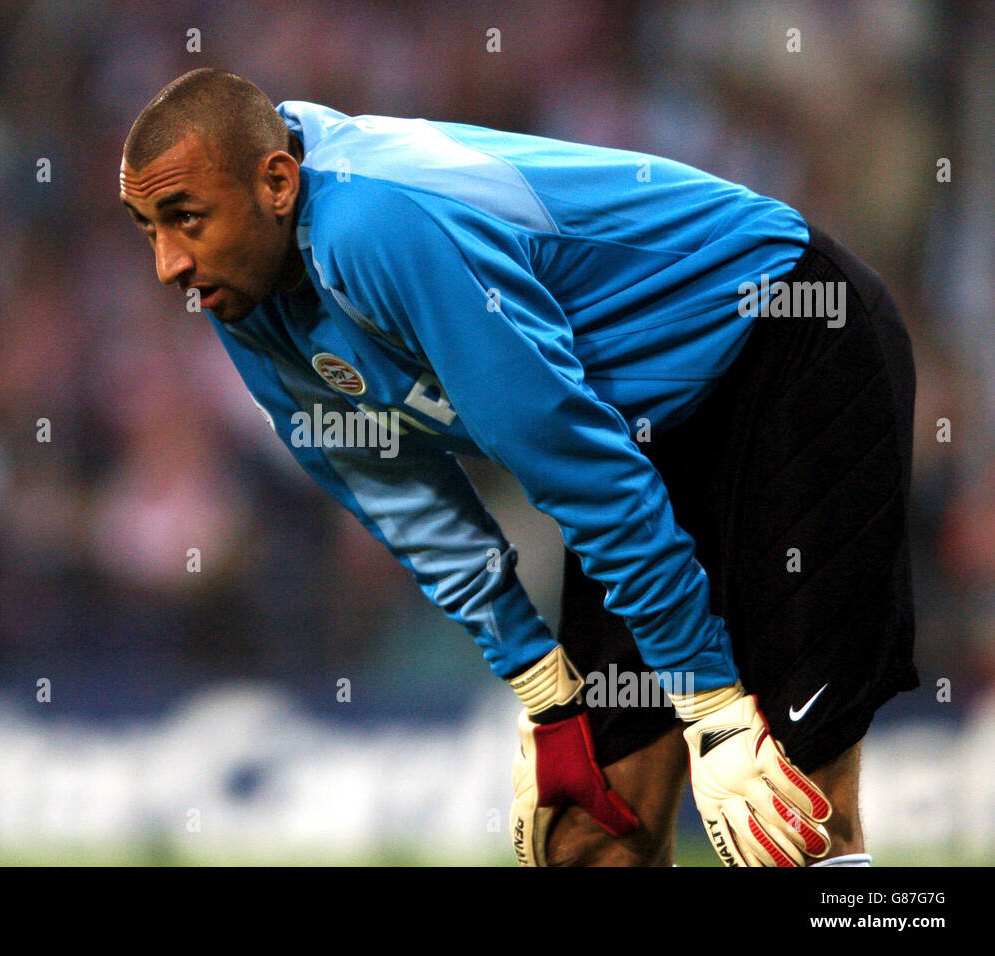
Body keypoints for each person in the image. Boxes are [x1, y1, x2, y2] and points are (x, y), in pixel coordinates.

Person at [118, 68, 919, 867]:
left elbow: (571, 463)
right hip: (648, 432)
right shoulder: (245, 289)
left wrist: (710, 701)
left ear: (277, 182)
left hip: (791, 341)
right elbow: (397, 493)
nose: (169, 265)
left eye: (185, 220)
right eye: (149, 228)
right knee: (589, 839)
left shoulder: (382, 221)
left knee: (786, 822)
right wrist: (546, 692)